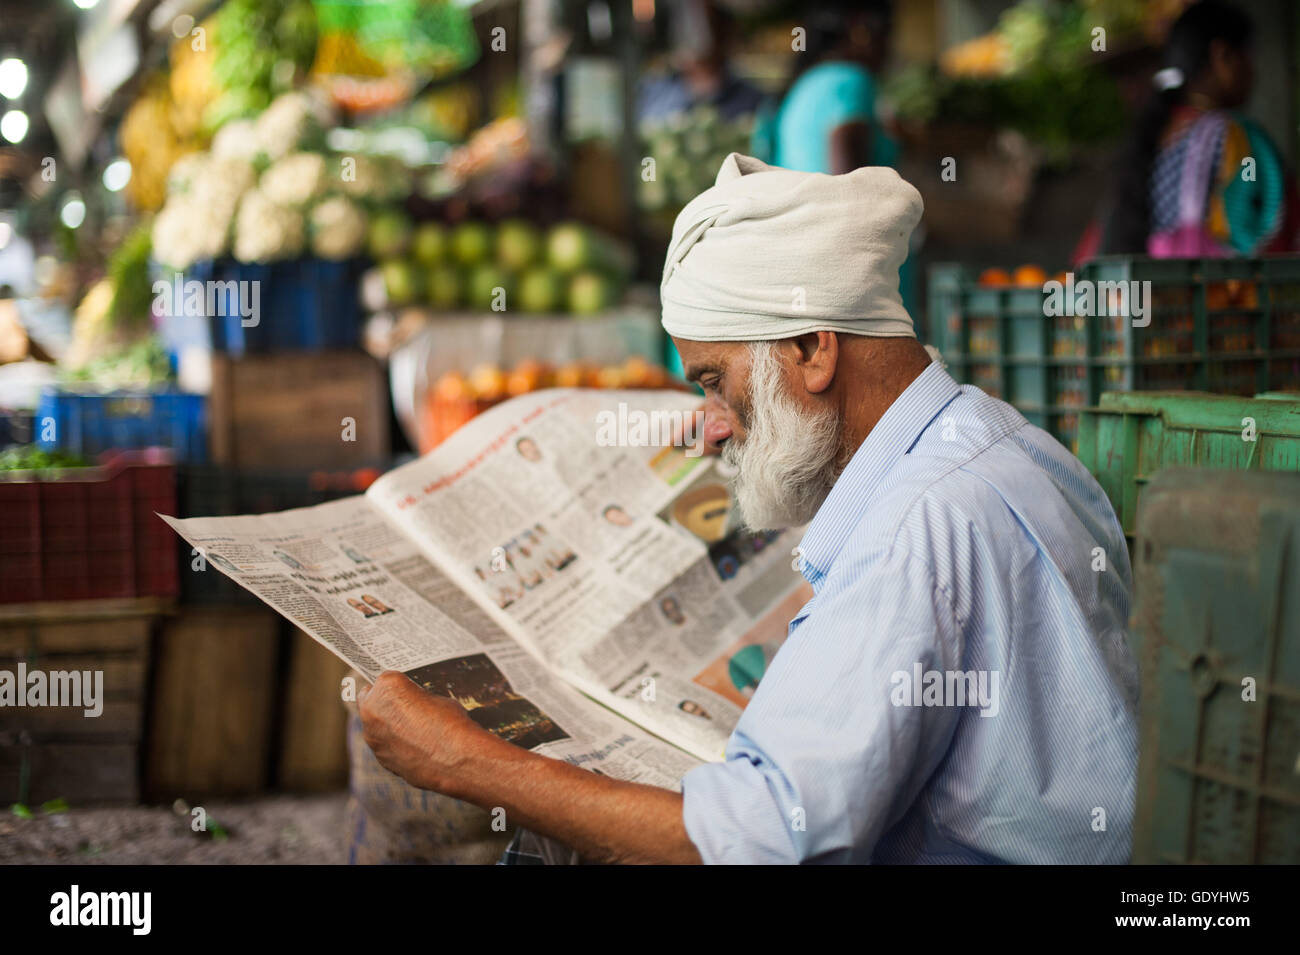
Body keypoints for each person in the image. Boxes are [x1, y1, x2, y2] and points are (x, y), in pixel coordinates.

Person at [358, 155, 1138, 864]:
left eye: (711, 379)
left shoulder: (912, 531)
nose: (713, 425)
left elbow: (771, 840)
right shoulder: (1011, 443)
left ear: (811, 348)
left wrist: (465, 762)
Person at [752, 0, 916, 315]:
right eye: (887, 35)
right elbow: (850, 183)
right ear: (860, 32)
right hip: (850, 275)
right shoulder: (851, 80)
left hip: (807, 264)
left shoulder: (802, 86)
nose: (889, 49)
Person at [1100, 0, 1299, 256]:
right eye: (1248, 56)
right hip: (1221, 292)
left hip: (1155, 292)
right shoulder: (1231, 136)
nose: (1253, 71)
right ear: (1222, 55)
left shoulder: (1156, 133)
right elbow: (1270, 230)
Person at [638, 0, 764, 124]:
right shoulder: (650, 95)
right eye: (685, 19)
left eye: (702, 20)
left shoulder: (755, 103)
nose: (691, 29)